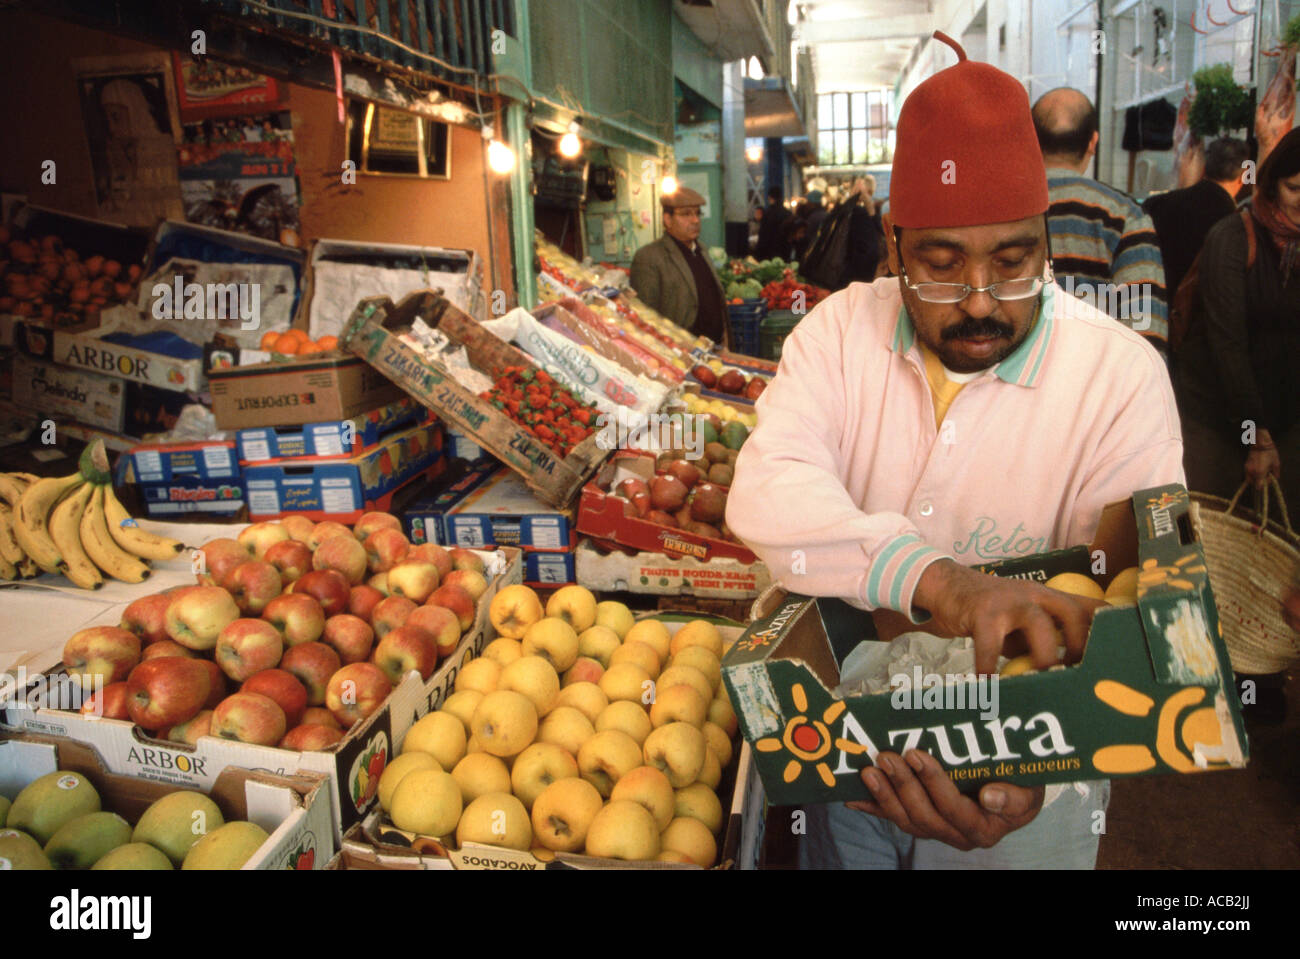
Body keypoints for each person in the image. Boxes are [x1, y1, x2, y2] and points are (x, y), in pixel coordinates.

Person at [725, 32, 1183, 869]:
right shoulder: (837, 336)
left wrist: (1042, 768)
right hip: (854, 760)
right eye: (941, 264)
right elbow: (767, 488)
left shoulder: (1121, 377)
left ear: (1046, 238)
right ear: (894, 245)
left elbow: (1133, 604)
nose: (982, 301)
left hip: (1036, 784)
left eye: (1014, 262)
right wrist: (941, 582)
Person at [1172, 127, 1300, 726]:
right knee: (1212, 541)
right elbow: (1226, 344)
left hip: (1284, 414)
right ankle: (1200, 674)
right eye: (1296, 188)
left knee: (1274, 545)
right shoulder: (1233, 237)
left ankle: (1260, 671)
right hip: (1214, 412)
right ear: (1269, 182)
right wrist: (1256, 438)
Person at [1032, 88, 1169, 352]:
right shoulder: (1123, 215)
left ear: (1031, 142)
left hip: (1013, 388)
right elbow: (1144, 336)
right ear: (1093, 143)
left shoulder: (1003, 214)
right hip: (1100, 385)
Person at [1144, 137, 1250, 297]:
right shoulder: (1235, 224)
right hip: (1190, 315)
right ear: (1243, 176)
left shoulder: (1157, 203)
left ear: (1204, 168)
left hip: (1146, 301)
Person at [629, 187, 727, 344]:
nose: (695, 220)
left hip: (715, 350)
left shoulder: (701, 250)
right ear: (667, 219)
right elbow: (644, 316)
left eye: (697, 213)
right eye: (686, 214)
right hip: (682, 354)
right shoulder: (649, 257)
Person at [842, 176, 884, 286]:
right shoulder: (864, 215)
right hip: (863, 274)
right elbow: (870, 249)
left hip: (844, 271)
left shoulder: (847, 214)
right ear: (870, 192)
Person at [755, 187, 791, 260]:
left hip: (769, 252)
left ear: (769, 197)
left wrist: (758, 255)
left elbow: (763, 236)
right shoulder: (788, 214)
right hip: (784, 252)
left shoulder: (767, 213)